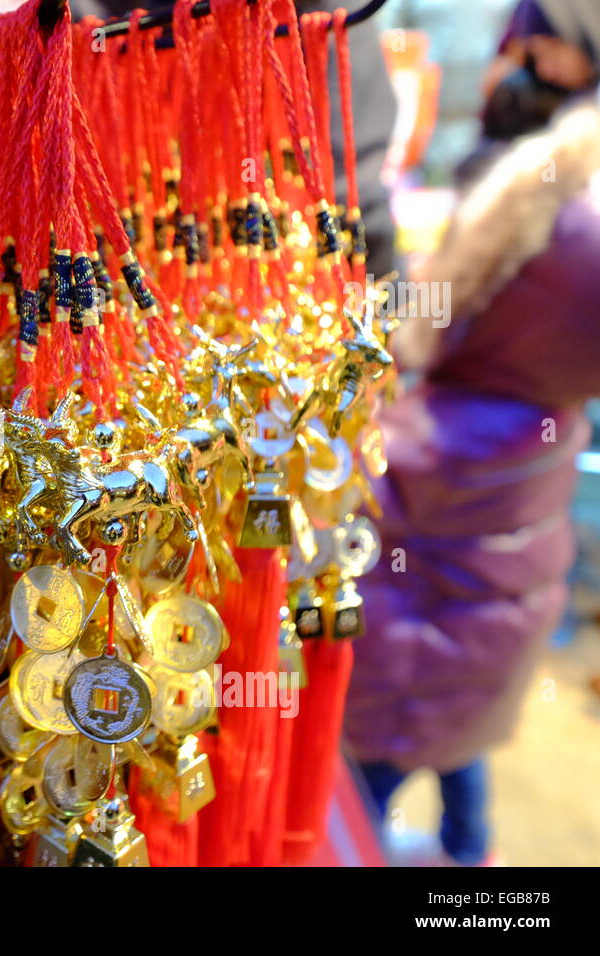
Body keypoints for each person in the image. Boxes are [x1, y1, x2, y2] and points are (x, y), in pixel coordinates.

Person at [343, 45, 600, 865]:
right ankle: (468, 854)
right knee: (464, 748)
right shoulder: (550, 421)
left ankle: (371, 845)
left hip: (405, 665)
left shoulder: (434, 434)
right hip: (486, 651)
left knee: (369, 781)